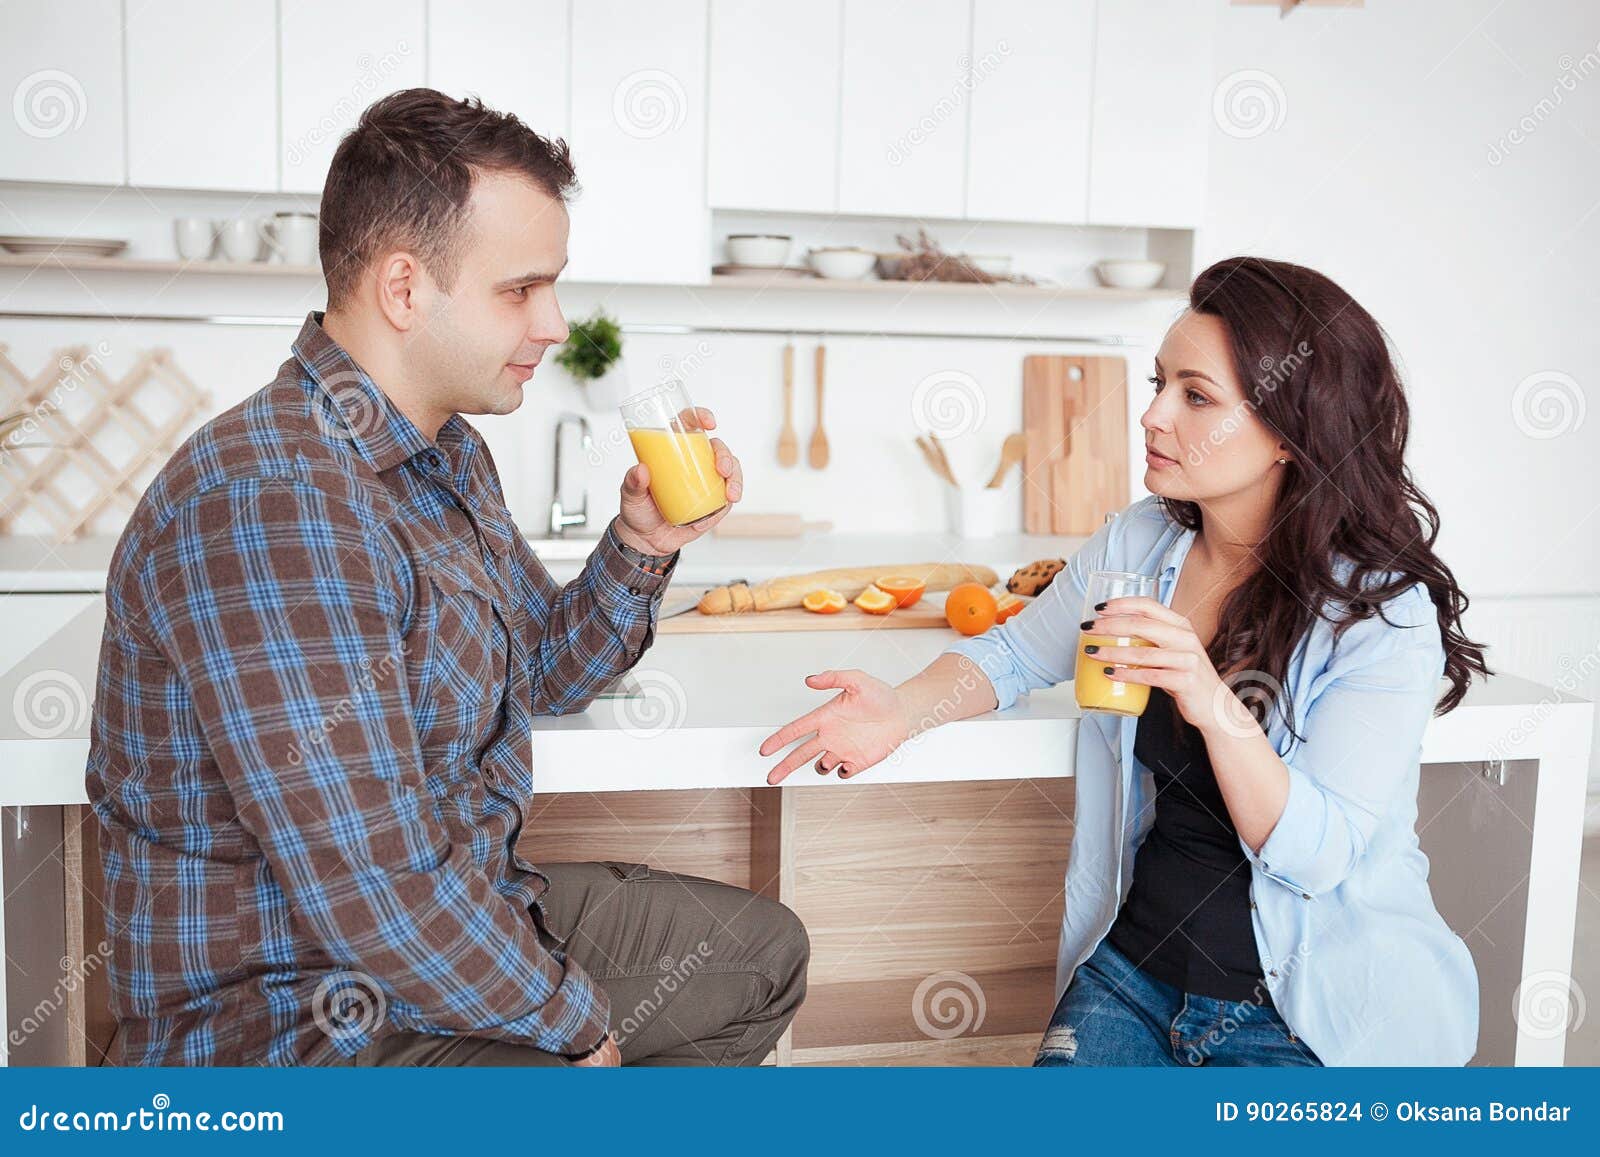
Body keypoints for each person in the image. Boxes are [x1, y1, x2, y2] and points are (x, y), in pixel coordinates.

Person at [86, 88, 807, 1067]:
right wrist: (574, 1024)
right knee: (572, 1055)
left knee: (758, 957)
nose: (553, 322)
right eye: (522, 288)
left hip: (441, 924)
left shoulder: (443, 452)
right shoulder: (275, 498)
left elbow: (543, 670)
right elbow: (370, 882)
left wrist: (641, 541)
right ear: (403, 289)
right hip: (297, 1014)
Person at [760, 256, 1488, 1067]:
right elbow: (1008, 654)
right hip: (1133, 977)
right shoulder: (1141, 542)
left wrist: (1210, 700)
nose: (1151, 415)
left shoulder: (1378, 613)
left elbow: (1317, 853)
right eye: (1159, 383)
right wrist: (901, 709)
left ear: (1289, 430)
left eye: (1195, 395)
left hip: (1298, 1013)